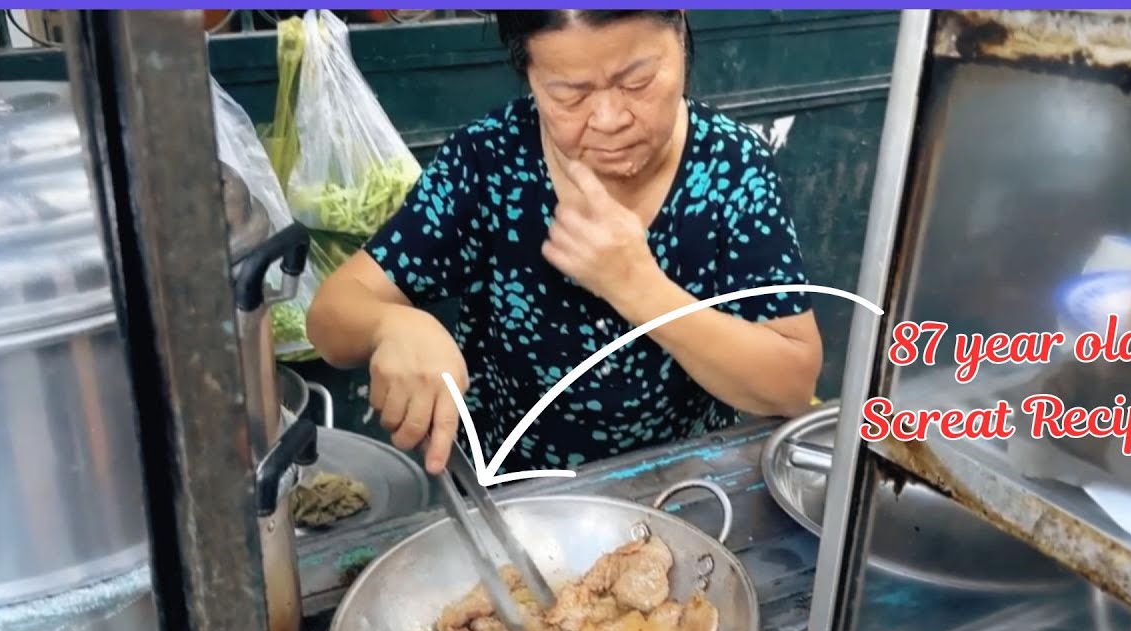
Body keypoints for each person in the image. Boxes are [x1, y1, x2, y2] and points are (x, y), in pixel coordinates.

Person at [306, 10, 822, 477]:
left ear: (681, 32)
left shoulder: (732, 166)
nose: (609, 119)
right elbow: (330, 318)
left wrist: (637, 287)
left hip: (683, 487)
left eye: (638, 81)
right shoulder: (488, 162)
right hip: (513, 495)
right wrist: (393, 323)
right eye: (569, 94)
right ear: (529, 76)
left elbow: (791, 384)